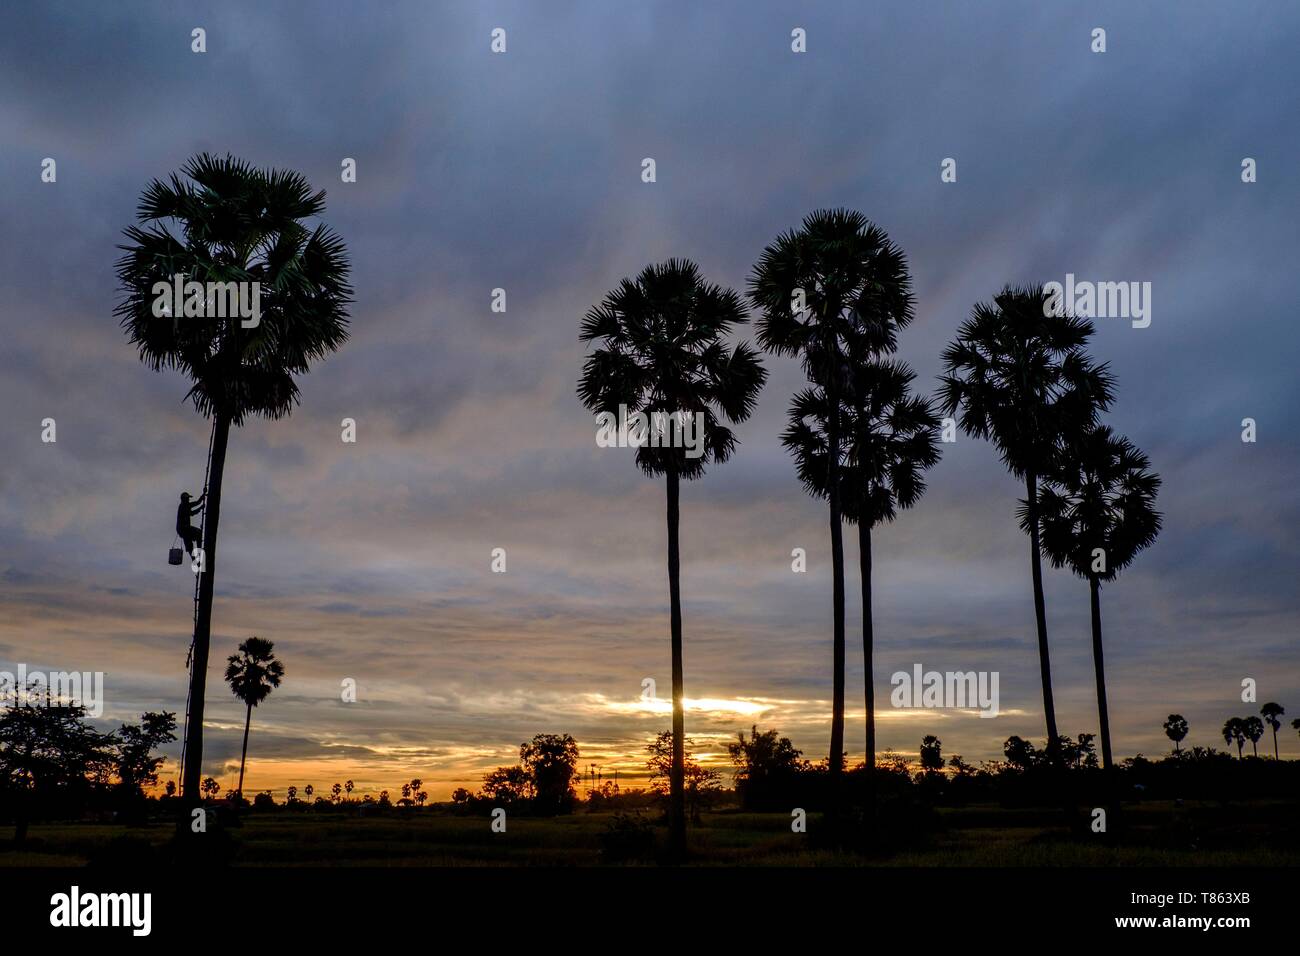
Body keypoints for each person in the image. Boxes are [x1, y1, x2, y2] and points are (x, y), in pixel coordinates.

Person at [176, 492, 205, 557]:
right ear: (184, 499)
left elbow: (197, 502)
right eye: (187, 499)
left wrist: (203, 495)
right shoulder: (183, 506)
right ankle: (197, 556)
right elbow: (191, 513)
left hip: (184, 529)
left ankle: (197, 556)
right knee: (196, 536)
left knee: (193, 539)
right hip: (183, 529)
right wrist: (200, 508)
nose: (188, 500)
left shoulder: (186, 505)